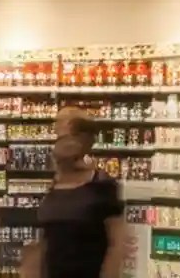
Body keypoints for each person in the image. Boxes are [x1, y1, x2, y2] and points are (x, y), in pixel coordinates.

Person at [20, 109, 126, 278]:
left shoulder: (102, 185)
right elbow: (46, 240)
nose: (57, 139)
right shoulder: (56, 185)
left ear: (82, 141)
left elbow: (117, 244)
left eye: (63, 132)